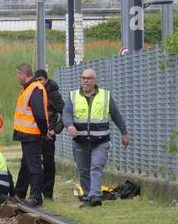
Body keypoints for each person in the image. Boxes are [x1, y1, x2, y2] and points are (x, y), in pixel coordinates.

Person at [62, 68, 128, 207]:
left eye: (89, 78)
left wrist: (124, 132)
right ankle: (87, 196)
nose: (85, 81)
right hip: (80, 142)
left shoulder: (105, 96)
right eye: (83, 78)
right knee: (83, 170)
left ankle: (95, 195)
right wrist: (69, 126)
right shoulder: (73, 96)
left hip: (100, 141)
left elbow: (116, 115)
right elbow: (66, 113)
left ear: (94, 80)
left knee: (96, 167)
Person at [12, 63, 50, 207]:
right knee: (27, 165)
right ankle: (20, 193)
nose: (17, 78)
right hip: (27, 134)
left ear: (23, 74)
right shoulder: (29, 88)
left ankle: (36, 196)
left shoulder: (34, 89)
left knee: (34, 166)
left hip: (31, 134)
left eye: (17, 75)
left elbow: (39, 114)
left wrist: (44, 132)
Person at [33, 69, 65, 201]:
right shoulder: (35, 92)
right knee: (34, 164)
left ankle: (47, 193)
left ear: (46, 79)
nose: (38, 82)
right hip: (34, 133)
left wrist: (55, 130)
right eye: (36, 80)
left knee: (48, 163)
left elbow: (65, 113)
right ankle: (35, 192)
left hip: (48, 135)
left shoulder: (54, 94)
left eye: (40, 80)